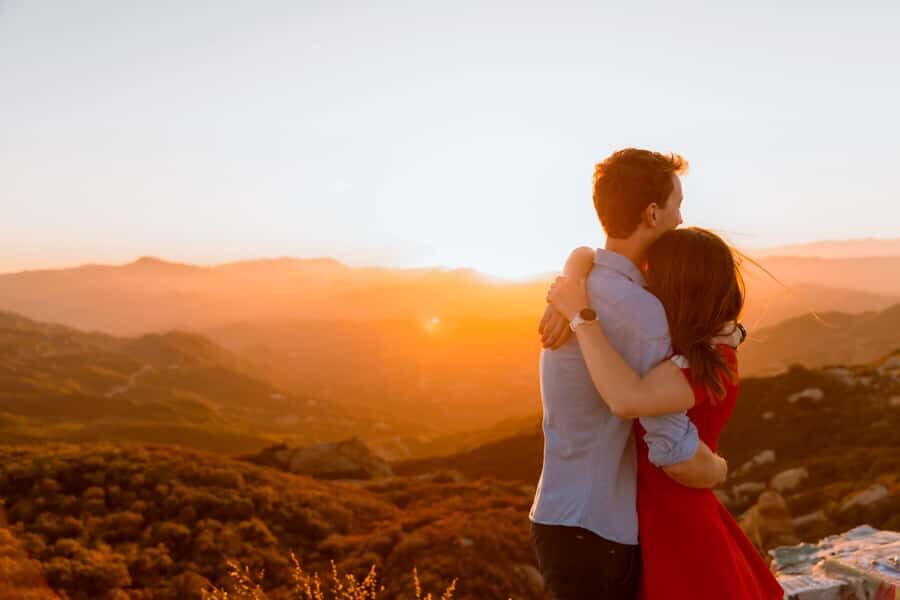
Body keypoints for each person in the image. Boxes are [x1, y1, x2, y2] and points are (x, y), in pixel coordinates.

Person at [529, 149, 734, 599]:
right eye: (677, 204)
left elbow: (586, 255)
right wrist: (717, 468)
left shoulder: (585, 284)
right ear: (653, 212)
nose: (681, 218)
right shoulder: (640, 310)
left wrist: (576, 263)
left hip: (562, 515)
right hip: (597, 526)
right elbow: (670, 445)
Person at [546, 227, 783, 599]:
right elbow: (589, 253)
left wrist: (580, 315)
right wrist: (574, 272)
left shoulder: (695, 367)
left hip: (675, 524)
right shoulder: (703, 350)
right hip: (658, 516)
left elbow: (627, 399)